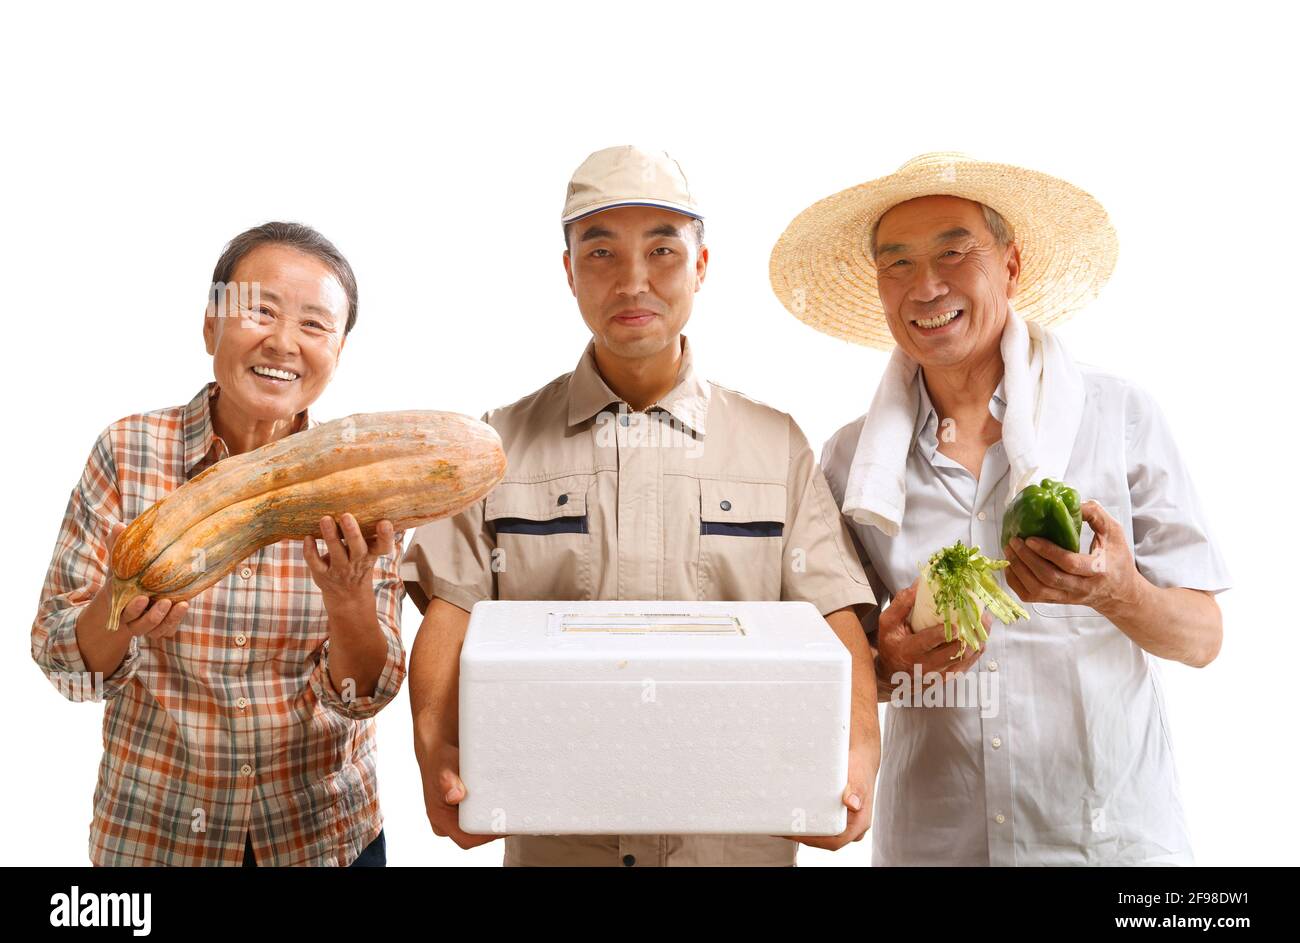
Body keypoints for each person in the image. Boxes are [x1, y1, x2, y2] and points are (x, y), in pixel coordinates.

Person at [402, 146, 880, 866]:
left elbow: (834, 616)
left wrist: (859, 760)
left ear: (702, 265)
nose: (633, 281)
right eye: (601, 253)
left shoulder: (775, 445)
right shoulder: (496, 445)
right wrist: (436, 754)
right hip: (562, 846)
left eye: (662, 249)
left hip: (734, 847)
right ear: (567, 270)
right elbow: (451, 613)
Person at [770, 152, 1231, 865]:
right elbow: (842, 668)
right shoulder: (848, 463)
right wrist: (890, 661)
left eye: (955, 252)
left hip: (1107, 844)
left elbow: (1203, 638)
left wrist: (1120, 592)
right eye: (898, 264)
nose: (926, 286)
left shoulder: (1119, 417)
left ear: (1011, 268)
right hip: (940, 845)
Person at [32, 222, 404, 866]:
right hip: (157, 839)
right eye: (260, 311)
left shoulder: (365, 481)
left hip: (323, 841)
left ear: (339, 352)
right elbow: (64, 664)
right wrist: (118, 610)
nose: (283, 342)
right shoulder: (127, 453)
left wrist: (348, 600)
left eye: (314, 325)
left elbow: (367, 693)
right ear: (211, 327)